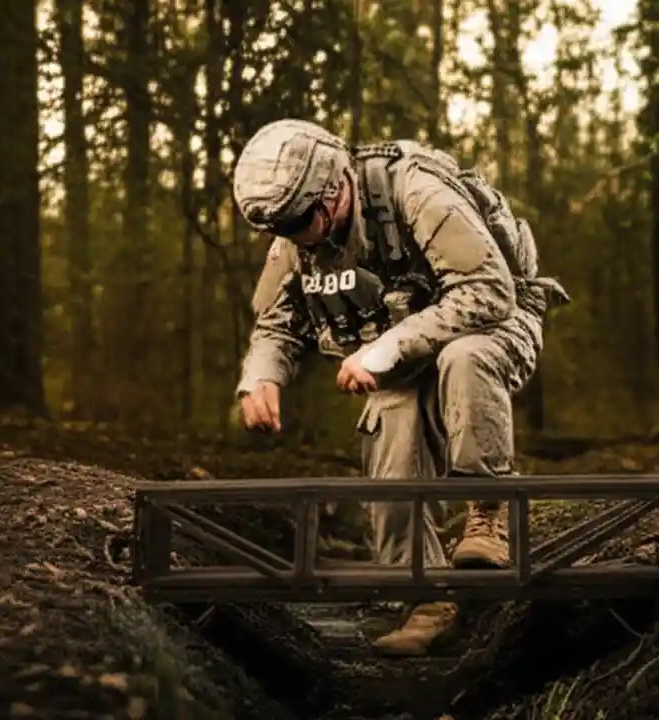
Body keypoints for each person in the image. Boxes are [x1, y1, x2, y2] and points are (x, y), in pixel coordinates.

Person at [231, 119, 569, 656]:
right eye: (282, 226)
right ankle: (424, 597)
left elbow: (487, 289)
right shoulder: (297, 233)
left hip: (494, 317)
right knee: (393, 423)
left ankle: (487, 511)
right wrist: (262, 376)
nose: (295, 236)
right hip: (400, 338)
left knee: (465, 357)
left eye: (300, 220)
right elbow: (277, 320)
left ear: (334, 187)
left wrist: (386, 349)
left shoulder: (413, 188)